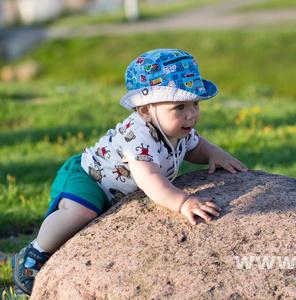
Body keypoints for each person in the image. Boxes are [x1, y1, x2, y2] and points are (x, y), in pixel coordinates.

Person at [12, 48, 248, 295]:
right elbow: (149, 178)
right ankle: (35, 252)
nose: (191, 114)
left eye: (195, 104)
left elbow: (196, 147)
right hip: (90, 178)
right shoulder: (139, 137)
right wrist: (182, 202)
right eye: (179, 106)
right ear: (145, 109)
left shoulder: (179, 131)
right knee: (82, 213)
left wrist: (215, 154)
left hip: (114, 189)